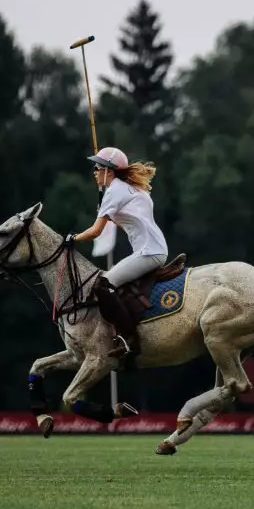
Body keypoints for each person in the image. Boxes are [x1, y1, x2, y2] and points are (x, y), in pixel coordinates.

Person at [66, 146, 169, 367]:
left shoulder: (114, 191)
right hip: (156, 250)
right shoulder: (132, 189)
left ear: (109, 171)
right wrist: (106, 211)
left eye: (97, 167)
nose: (94, 171)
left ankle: (128, 338)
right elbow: (129, 219)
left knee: (103, 285)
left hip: (148, 252)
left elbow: (95, 232)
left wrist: (73, 239)